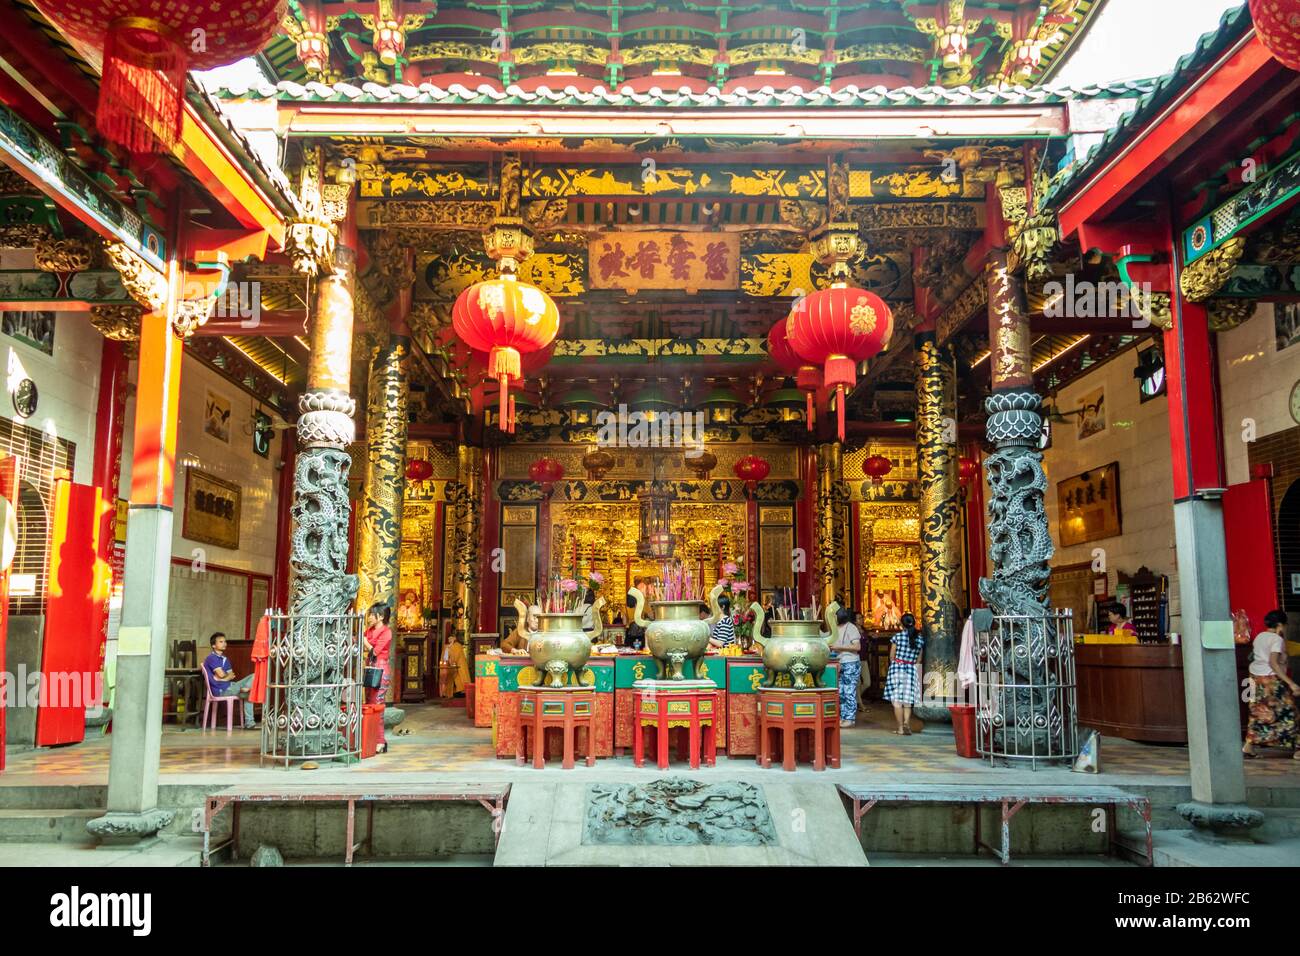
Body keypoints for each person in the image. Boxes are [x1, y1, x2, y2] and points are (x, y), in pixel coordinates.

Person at [1243, 609, 1298, 760]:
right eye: (1285, 625)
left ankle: (1248, 746)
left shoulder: (1260, 636)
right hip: (1271, 681)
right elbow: (1273, 663)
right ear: (1280, 624)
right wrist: (1291, 683)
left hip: (1255, 678)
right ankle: (1298, 749)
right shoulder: (1276, 640)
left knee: (1257, 712)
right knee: (1290, 711)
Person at [202, 632, 256, 728]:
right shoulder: (211, 658)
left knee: (255, 676)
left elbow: (232, 675)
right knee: (249, 692)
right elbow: (221, 674)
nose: (224, 644)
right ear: (214, 645)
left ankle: (249, 723)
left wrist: (222, 677)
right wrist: (223, 677)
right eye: (221, 642)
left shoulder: (225, 659)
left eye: (225, 641)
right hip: (220, 691)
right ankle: (246, 688)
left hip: (230, 687)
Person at [884, 612, 924, 735]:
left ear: (902, 624)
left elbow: (892, 656)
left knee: (896, 701)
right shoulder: (920, 639)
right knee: (907, 701)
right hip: (911, 669)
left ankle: (901, 728)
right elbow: (919, 659)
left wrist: (896, 664)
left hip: (898, 668)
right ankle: (907, 723)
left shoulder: (897, 637)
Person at [362, 603, 394, 753]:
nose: (369, 618)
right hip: (370, 668)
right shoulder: (369, 631)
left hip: (380, 670)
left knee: (378, 704)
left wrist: (364, 642)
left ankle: (380, 741)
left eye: (372, 615)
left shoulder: (386, 632)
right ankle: (371, 738)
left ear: (381, 616)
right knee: (369, 704)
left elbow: (375, 651)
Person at [831, 606, 863, 728]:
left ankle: (850, 719)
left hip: (850, 662)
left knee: (849, 691)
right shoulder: (835, 628)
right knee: (841, 692)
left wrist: (840, 648)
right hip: (839, 662)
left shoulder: (851, 628)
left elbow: (857, 647)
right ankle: (843, 717)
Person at [441, 633, 469, 698]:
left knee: (460, 677)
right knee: (450, 677)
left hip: (460, 664)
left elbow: (456, 656)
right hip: (450, 665)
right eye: (449, 639)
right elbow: (444, 657)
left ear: (454, 638)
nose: (450, 640)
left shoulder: (458, 646)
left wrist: (452, 660)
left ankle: (461, 691)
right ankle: (449, 693)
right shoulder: (446, 646)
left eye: (451, 638)